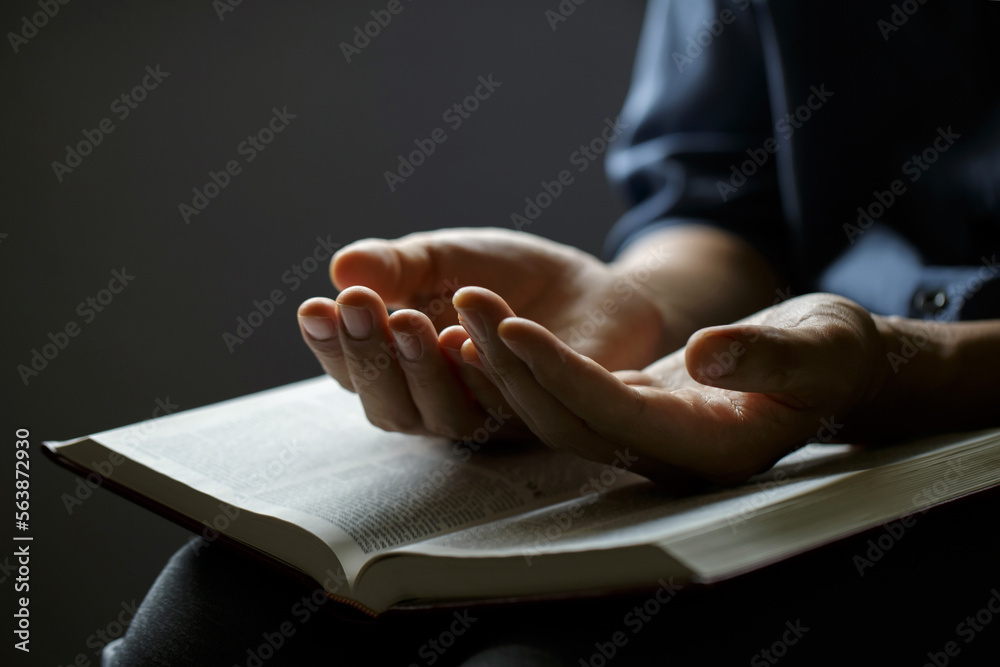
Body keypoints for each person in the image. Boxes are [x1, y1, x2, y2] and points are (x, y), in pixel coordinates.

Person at [104, 1, 1000, 664]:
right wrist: (636, 303)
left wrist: (907, 366)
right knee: (207, 611)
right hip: (802, 390)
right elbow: (726, 199)